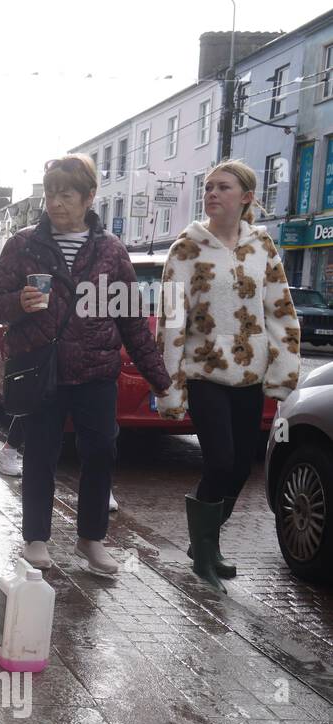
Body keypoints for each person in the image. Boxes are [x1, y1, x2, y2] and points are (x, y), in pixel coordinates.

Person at [0, 154, 170, 575]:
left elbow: (131, 318)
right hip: (42, 368)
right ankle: (35, 539)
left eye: (65, 194)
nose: (55, 202)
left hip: (95, 372)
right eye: (50, 193)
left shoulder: (111, 250)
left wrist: (159, 379)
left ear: (88, 197)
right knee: (41, 455)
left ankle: (91, 540)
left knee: (101, 452)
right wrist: (18, 303)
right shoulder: (23, 244)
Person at [156, 160, 301, 592]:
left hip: (250, 373)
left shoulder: (263, 245)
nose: (213, 194)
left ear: (247, 198)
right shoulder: (186, 247)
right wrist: (170, 384)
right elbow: (172, 318)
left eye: (223, 187)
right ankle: (202, 555)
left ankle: (208, 542)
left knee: (240, 468)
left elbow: (279, 309)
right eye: (208, 187)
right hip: (205, 371)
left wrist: (283, 367)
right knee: (219, 460)